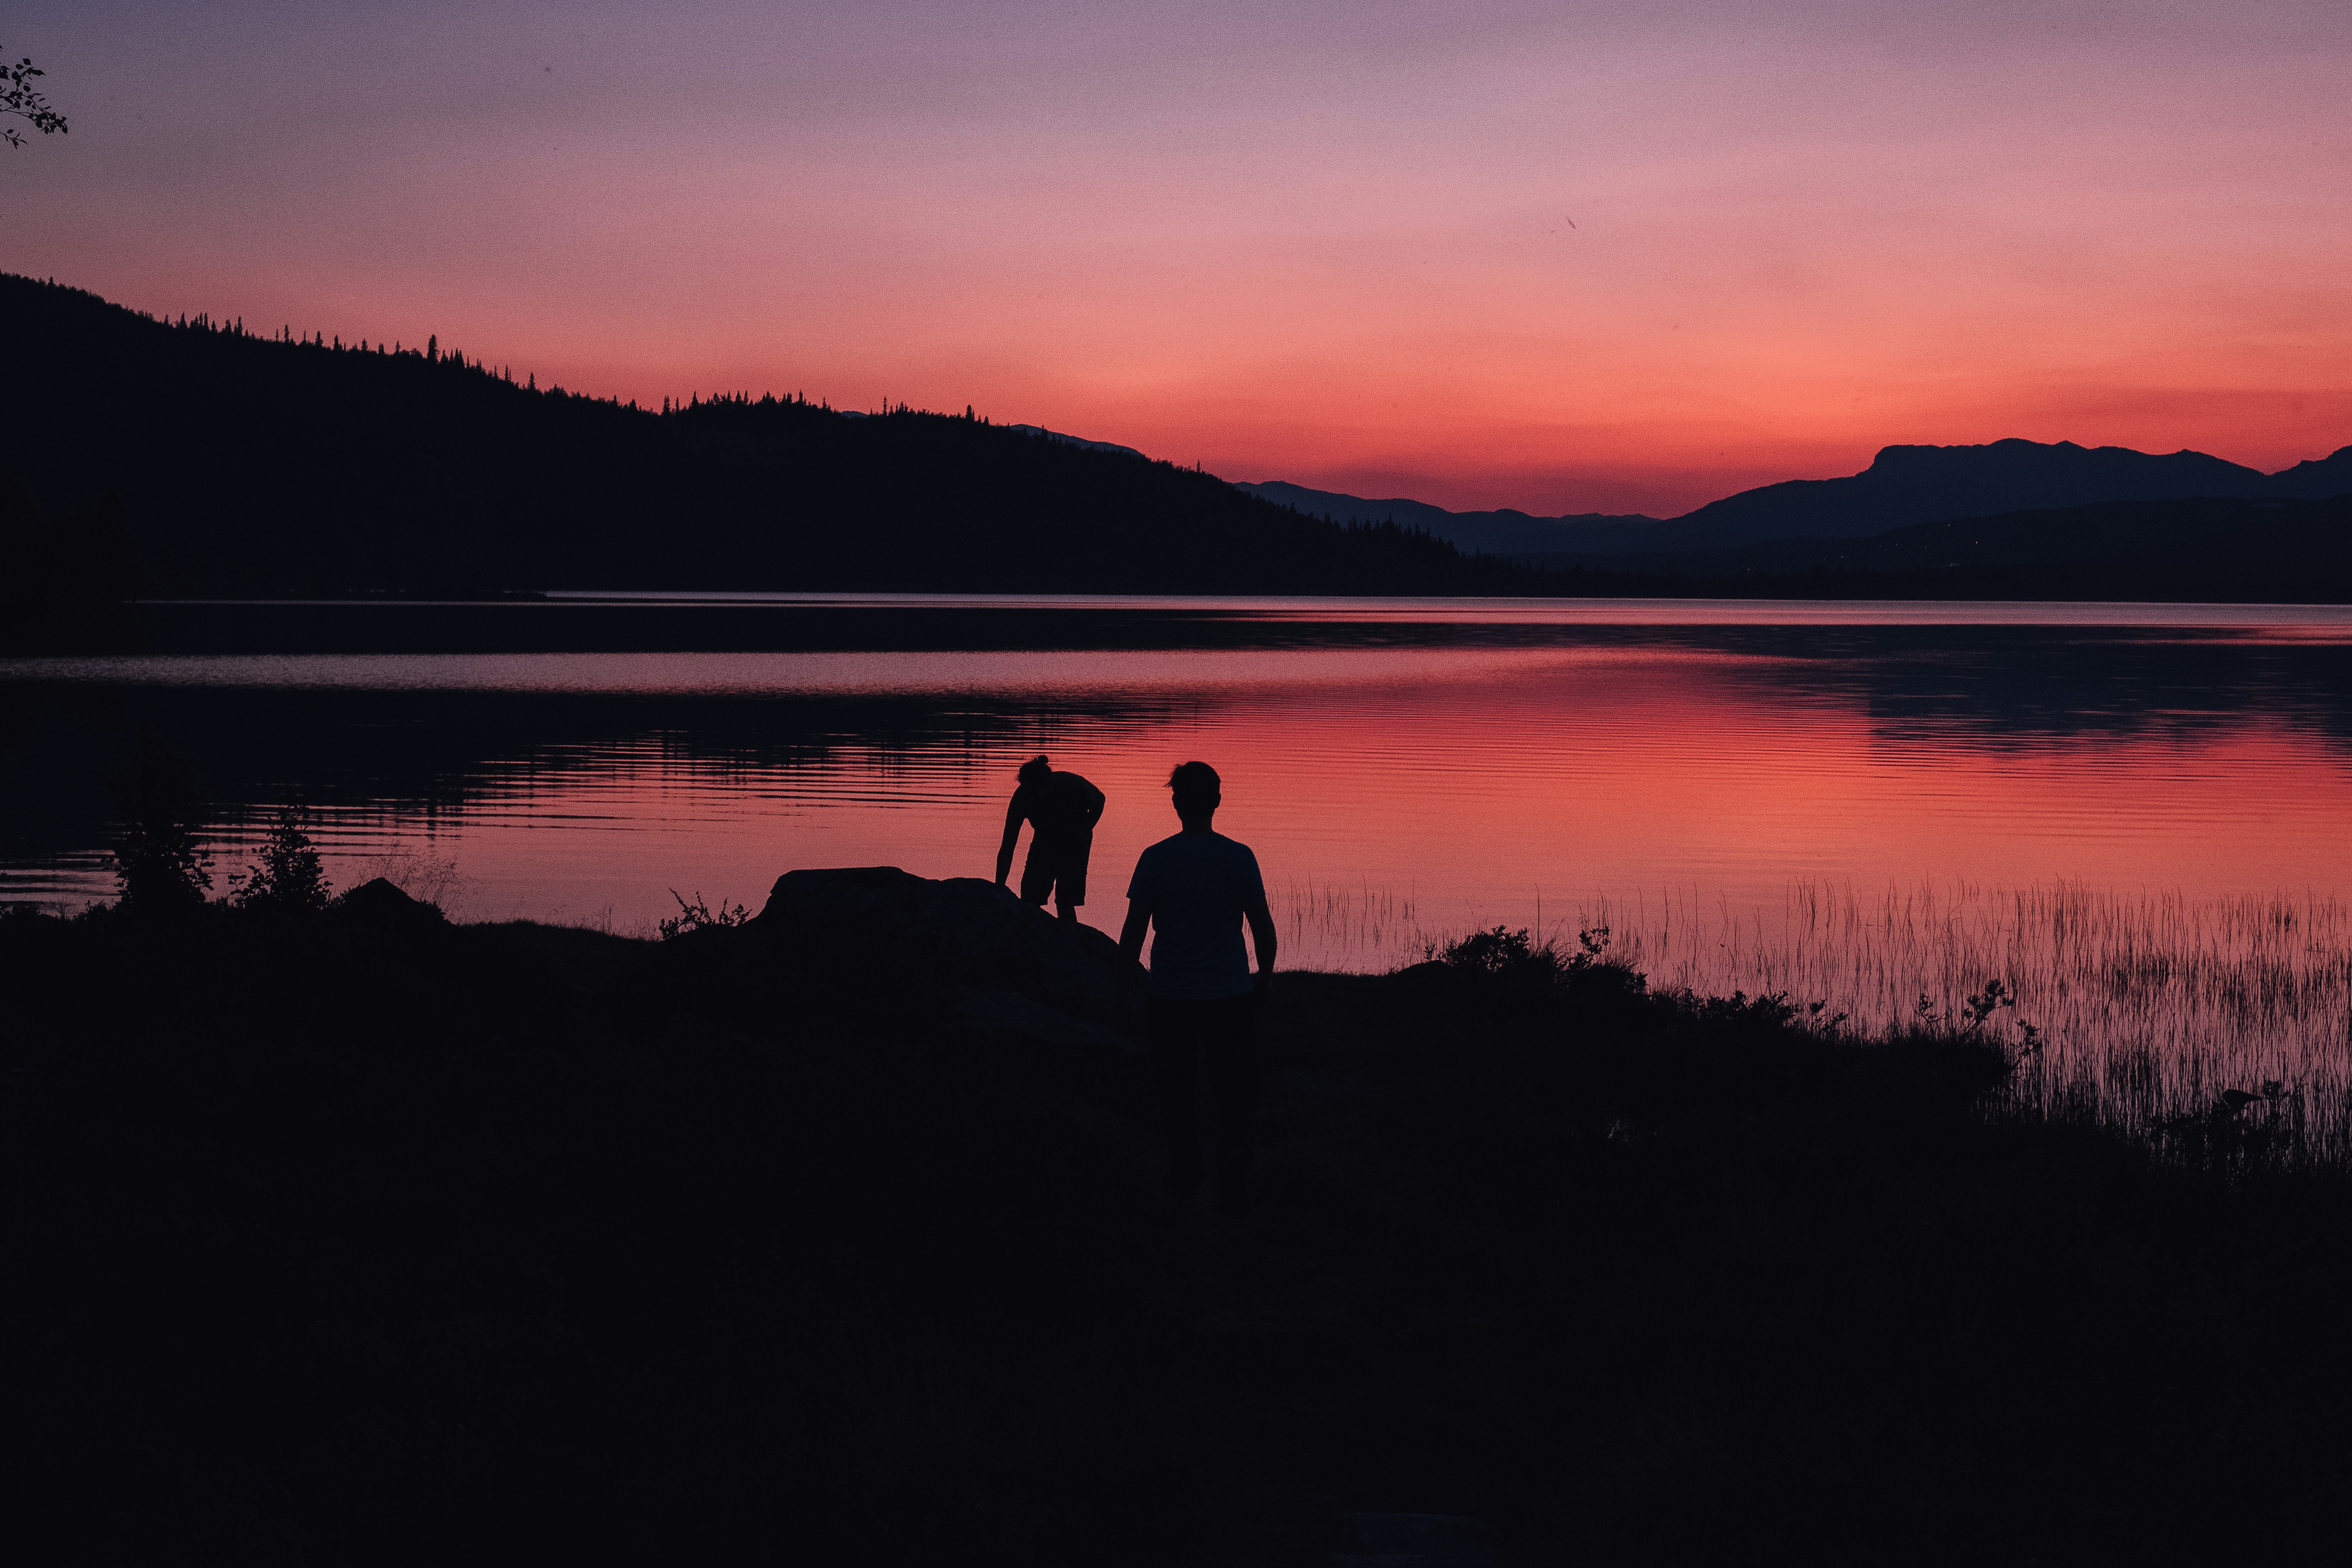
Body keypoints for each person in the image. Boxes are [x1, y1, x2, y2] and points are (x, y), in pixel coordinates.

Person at [1120, 761, 1276, 1214]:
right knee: (1234, 1090)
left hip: (1169, 995)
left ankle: (1185, 1175)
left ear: (1175, 803)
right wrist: (1263, 979)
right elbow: (1261, 929)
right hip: (1229, 995)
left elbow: (1134, 932)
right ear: (1217, 802)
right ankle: (1232, 1178)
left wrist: (1120, 991)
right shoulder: (1238, 857)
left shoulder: (1156, 858)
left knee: (1176, 1091)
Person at [995, 755, 1106, 924]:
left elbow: (1100, 800)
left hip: (1075, 843)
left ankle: (1070, 940)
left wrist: (1086, 828)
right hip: (1044, 842)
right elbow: (1008, 845)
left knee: (1066, 901)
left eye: (1037, 790)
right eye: (1029, 790)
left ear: (1047, 784)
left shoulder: (1071, 783)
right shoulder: (1022, 798)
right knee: (1030, 897)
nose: (1033, 795)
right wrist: (999, 888)